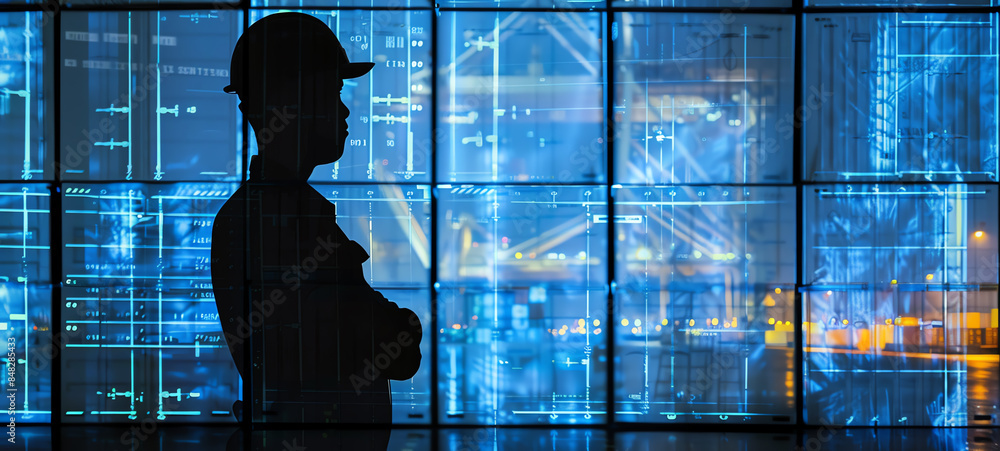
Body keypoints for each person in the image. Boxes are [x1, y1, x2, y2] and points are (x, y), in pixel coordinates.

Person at [210, 12, 422, 437]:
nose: (343, 109)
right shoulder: (281, 221)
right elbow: (388, 348)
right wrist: (402, 326)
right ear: (290, 104)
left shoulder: (280, 215)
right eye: (333, 91)